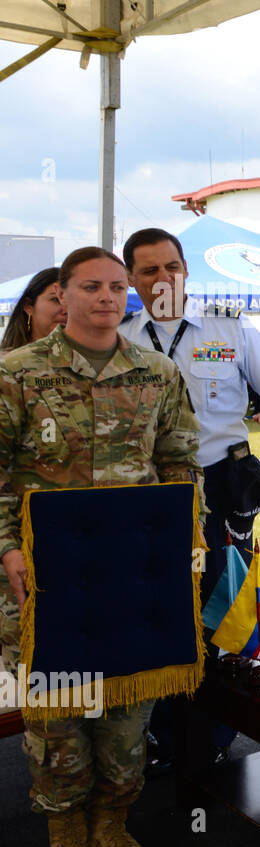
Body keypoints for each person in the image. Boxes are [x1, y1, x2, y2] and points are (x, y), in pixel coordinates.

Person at [0, 246, 202, 847]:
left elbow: (178, 462)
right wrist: (8, 549)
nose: (108, 298)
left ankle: (111, 826)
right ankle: (64, 834)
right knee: (58, 720)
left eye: (118, 286)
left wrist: (183, 541)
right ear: (62, 296)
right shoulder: (18, 373)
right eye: (91, 287)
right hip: (45, 577)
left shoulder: (157, 373)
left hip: (132, 579)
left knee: (125, 716)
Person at [118, 227, 260, 770]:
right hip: (149, 491)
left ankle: (216, 738)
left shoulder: (228, 326)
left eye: (171, 266)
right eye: (148, 270)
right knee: (161, 607)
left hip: (220, 485)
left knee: (221, 601)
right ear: (131, 279)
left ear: (186, 270)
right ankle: (167, 733)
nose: (162, 278)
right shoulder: (120, 336)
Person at [0, 268, 67, 679]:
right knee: (29, 659)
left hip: (74, 536)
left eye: (69, 300)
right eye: (54, 300)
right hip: (15, 536)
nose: (65, 310)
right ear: (28, 307)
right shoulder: (7, 370)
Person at [0, 267, 66, 352]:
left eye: (73, 301)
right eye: (56, 300)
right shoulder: (7, 362)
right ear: (28, 306)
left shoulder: (83, 361)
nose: (66, 310)